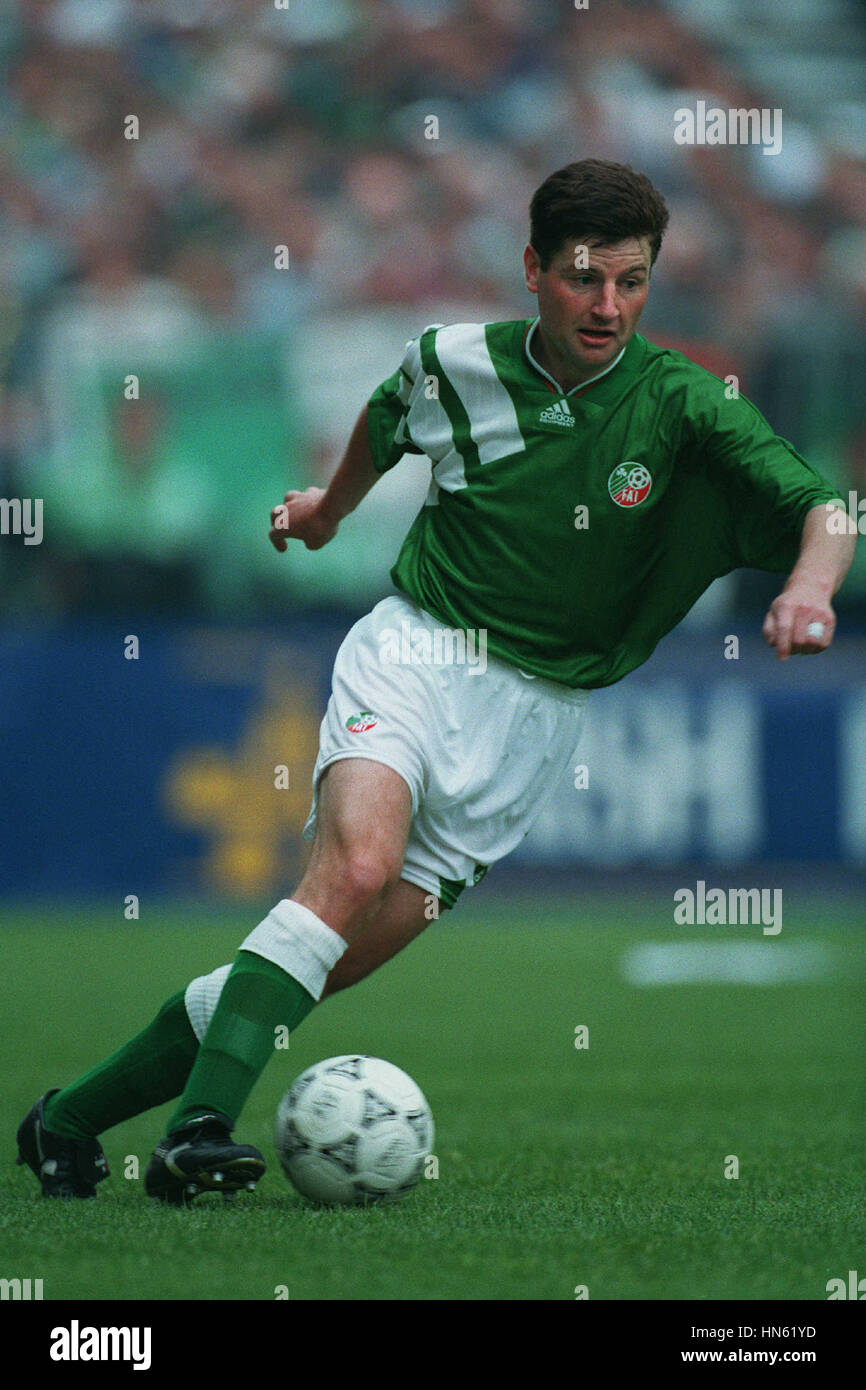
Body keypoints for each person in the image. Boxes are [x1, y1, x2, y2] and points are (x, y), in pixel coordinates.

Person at [17, 159, 855, 1203]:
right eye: (584, 279)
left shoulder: (682, 403)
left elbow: (826, 508)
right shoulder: (452, 363)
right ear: (531, 270)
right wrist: (326, 509)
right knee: (353, 870)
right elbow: (383, 415)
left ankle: (67, 1120)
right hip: (417, 652)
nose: (607, 307)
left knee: (320, 960)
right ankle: (198, 1130)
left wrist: (808, 591)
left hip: (532, 726)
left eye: (631, 283)